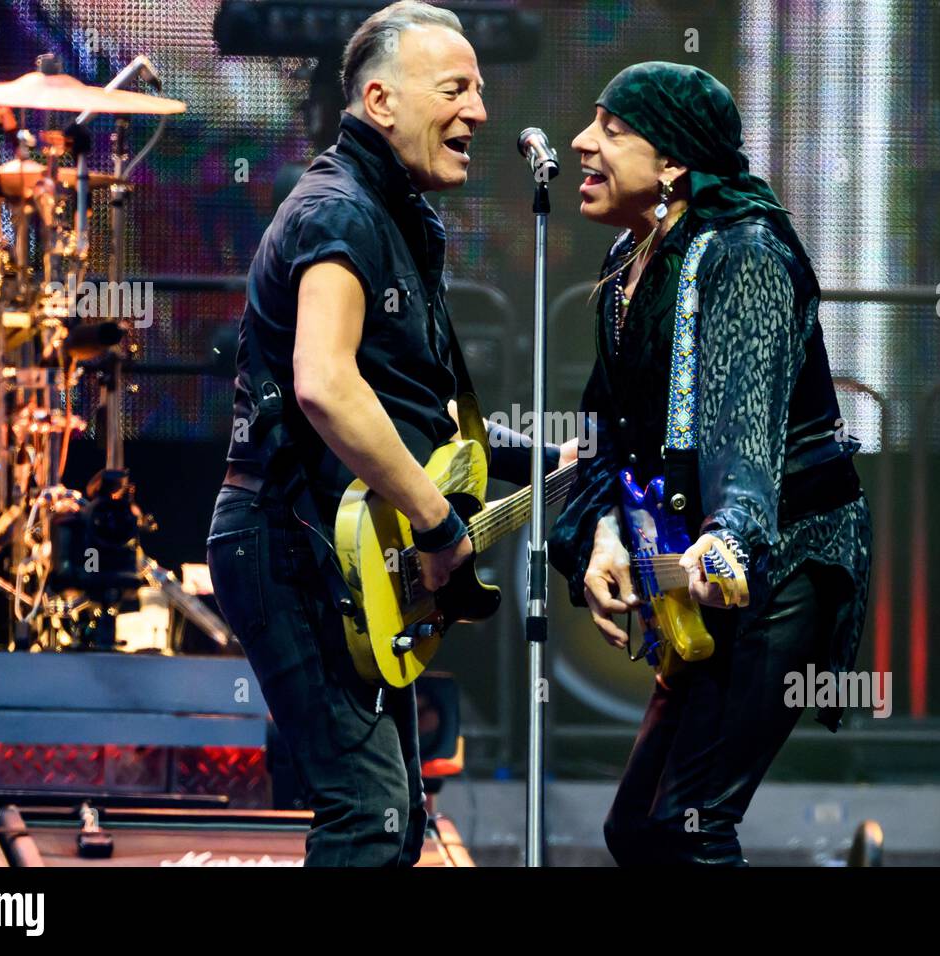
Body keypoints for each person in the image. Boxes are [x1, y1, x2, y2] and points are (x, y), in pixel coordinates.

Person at [207, 1, 559, 867]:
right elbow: (325, 385)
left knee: (396, 822)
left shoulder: (396, 214)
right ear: (380, 100)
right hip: (291, 544)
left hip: (344, 550)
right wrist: (440, 526)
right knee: (366, 816)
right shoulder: (341, 211)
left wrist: (546, 463)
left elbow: (413, 411)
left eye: (480, 90)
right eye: (456, 89)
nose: (480, 111)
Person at [548, 62, 873, 866]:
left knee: (688, 825)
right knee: (639, 831)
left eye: (613, 129)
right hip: (703, 568)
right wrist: (600, 535)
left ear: (673, 164)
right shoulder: (631, 263)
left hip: (786, 556)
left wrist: (729, 533)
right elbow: (603, 434)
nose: (583, 143)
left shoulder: (747, 255)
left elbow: (743, 433)